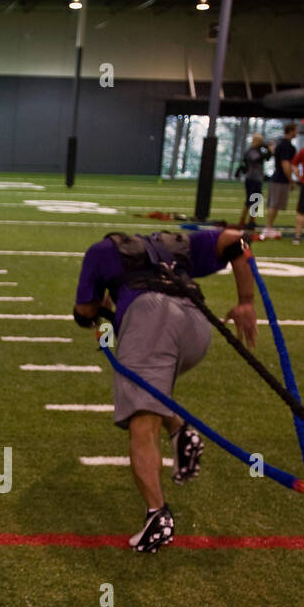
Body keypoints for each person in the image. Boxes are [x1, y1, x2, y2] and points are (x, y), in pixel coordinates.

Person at [73, 228, 258, 552]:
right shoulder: (178, 241)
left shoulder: (99, 251)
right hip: (197, 328)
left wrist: (104, 310)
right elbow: (236, 239)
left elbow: (84, 311)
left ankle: (158, 516)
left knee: (141, 419)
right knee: (148, 394)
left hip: (150, 318)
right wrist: (246, 302)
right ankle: (180, 430)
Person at [265, 122, 296, 232]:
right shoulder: (285, 145)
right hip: (279, 179)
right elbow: (285, 164)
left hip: (279, 178)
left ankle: (269, 226)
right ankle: (268, 227)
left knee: (276, 204)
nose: (296, 133)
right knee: (274, 204)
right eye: (295, 130)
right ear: (291, 131)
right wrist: (291, 180)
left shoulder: (282, 144)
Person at [235, 133, 272, 227]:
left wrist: (268, 150)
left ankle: (251, 221)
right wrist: (268, 149)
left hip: (258, 179)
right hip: (251, 178)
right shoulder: (252, 151)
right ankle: (242, 221)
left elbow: (267, 158)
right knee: (249, 201)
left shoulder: (258, 150)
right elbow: (257, 159)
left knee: (257, 200)